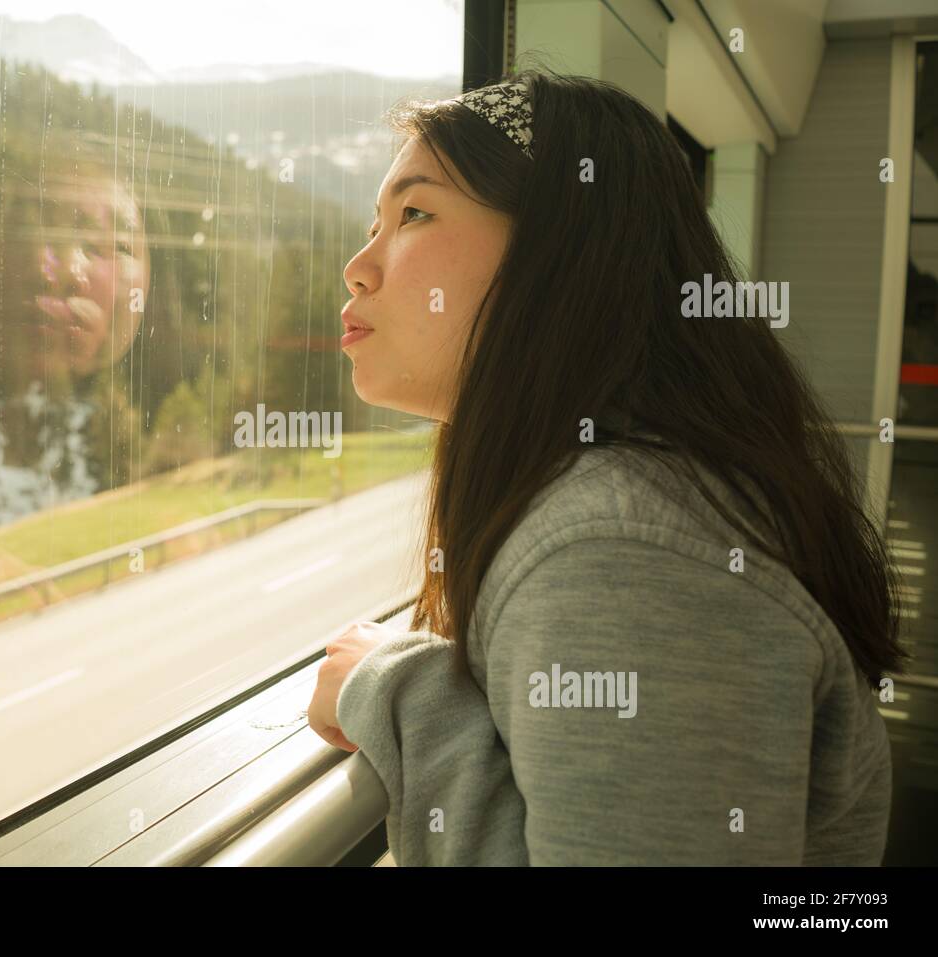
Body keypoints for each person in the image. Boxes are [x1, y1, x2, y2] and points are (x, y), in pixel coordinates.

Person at [307, 70, 906, 865]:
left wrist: (397, 686)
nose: (359, 265)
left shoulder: (620, 552)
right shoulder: (629, 503)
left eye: (413, 213)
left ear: (562, 252)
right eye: (374, 221)